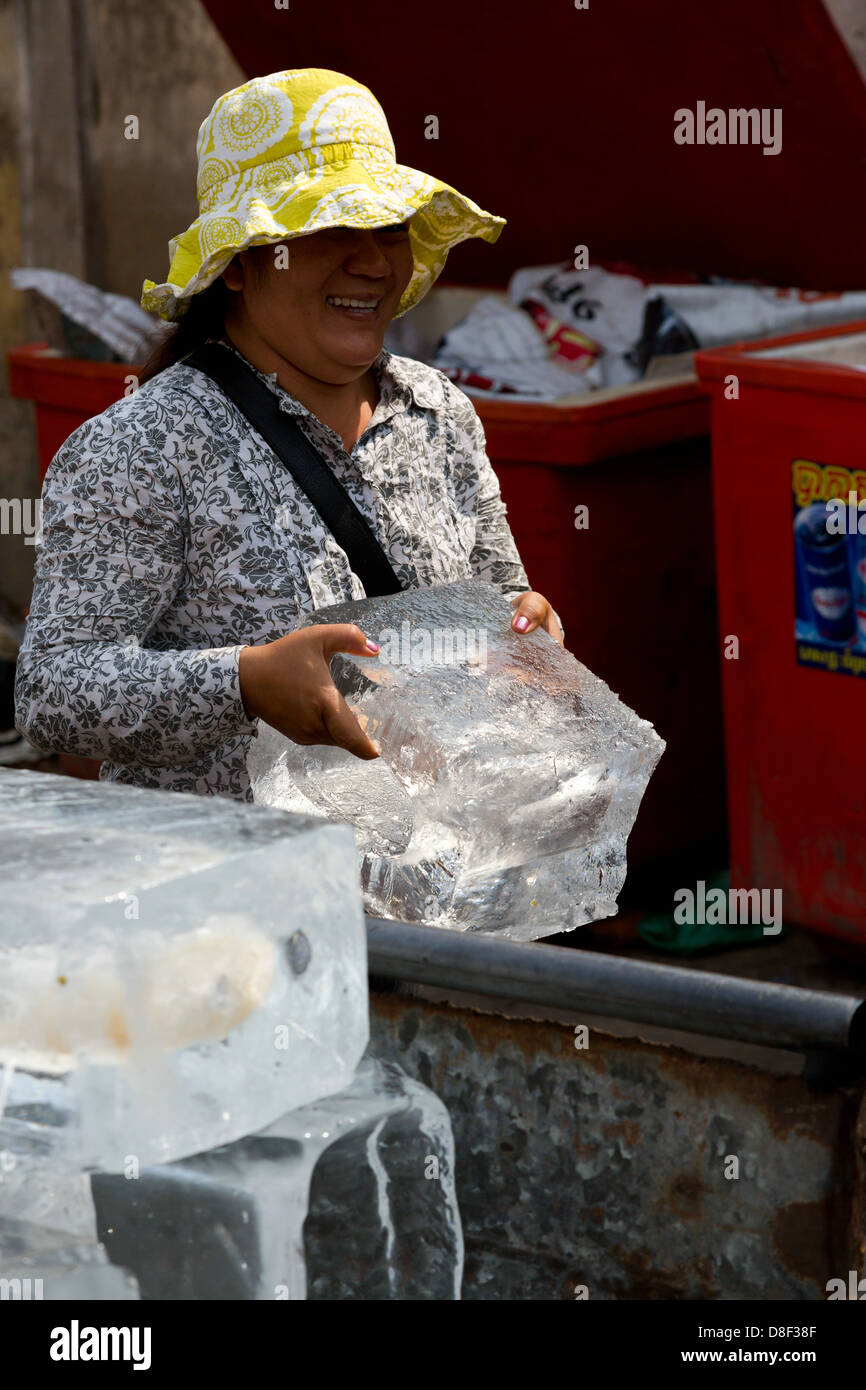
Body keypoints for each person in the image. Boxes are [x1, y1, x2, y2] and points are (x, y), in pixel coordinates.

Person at [15, 68, 563, 803]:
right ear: (240, 263)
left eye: (388, 228)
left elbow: (499, 598)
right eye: (332, 227)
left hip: (434, 887)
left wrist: (528, 625)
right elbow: (54, 690)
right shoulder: (145, 447)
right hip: (243, 899)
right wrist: (244, 683)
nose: (373, 262)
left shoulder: (438, 411)